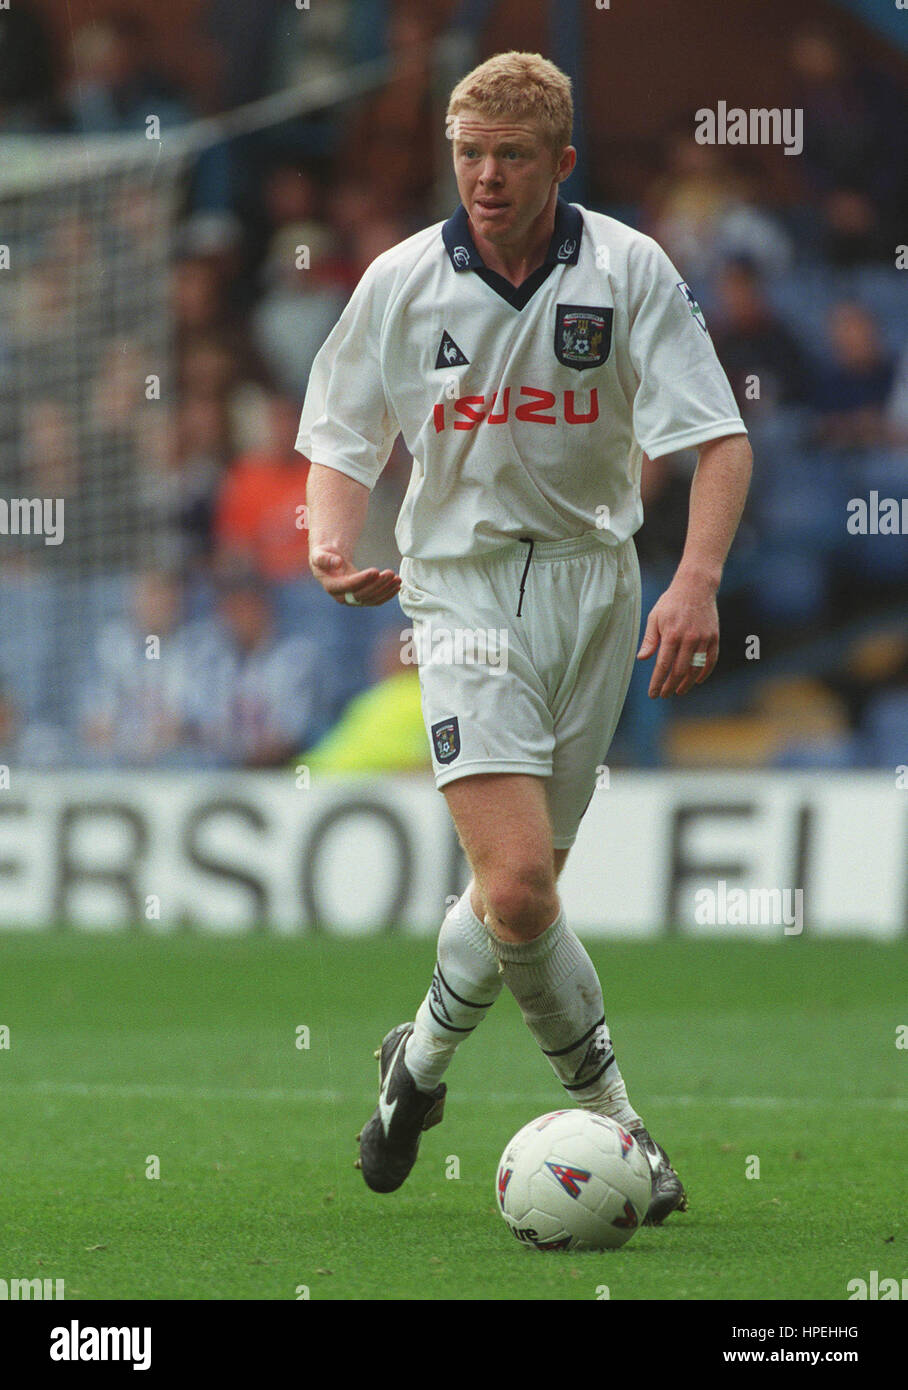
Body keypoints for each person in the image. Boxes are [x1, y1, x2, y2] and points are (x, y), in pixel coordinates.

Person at [297, 52, 752, 1225]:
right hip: (459, 593)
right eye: (467, 154)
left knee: (518, 896)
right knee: (516, 887)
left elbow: (718, 437)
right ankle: (626, 1128)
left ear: (559, 161)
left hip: (597, 591)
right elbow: (341, 436)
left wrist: (694, 581)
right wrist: (331, 544)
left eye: (509, 156)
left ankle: (418, 1065)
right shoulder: (402, 281)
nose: (484, 178)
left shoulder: (627, 269)